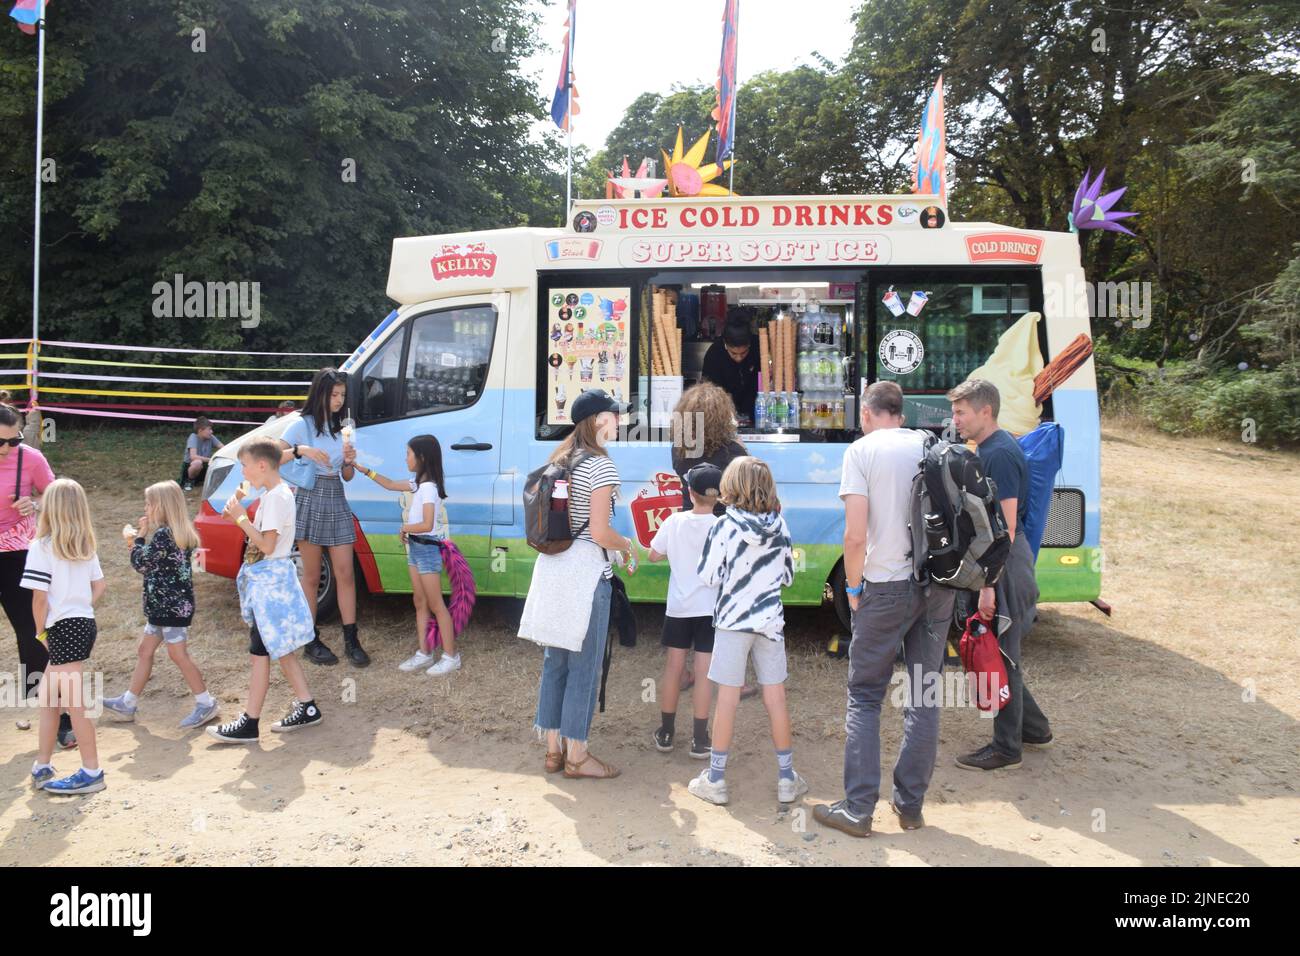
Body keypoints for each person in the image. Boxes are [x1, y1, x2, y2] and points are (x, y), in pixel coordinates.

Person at [814, 382, 956, 838]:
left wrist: (852, 588)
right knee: (924, 694)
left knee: (866, 694)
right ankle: (910, 806)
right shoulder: (932, 444)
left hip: (886, 586)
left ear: (870, 413)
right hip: (936, 587)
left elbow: (855, 536)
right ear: (901, 411)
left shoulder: (863, 451)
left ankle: (858, 809)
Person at [519, 389, 635, 780]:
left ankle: (553, 751)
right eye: (616, 416)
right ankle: (578, 756)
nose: (621, 422)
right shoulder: (601, 466)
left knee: (557, 663)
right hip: (584, 576)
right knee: (584, 666)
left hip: (552, 569)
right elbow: (600, 531)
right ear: (600, 420)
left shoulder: (563, 459)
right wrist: (628, 545)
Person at [689, 456, 806, 806]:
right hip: (769, 623)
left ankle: (716, 779)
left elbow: (707, 576)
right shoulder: (781, 526)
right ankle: (787, 779)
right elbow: (787, 576)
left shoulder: (723, 527)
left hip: (732, 623)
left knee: (726, 698)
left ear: (731, 486)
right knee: (776, 698)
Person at [948, 379, 1053, 770]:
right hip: (1004, 561)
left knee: (1001, 655)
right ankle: (1035, 729)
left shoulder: (999, 455)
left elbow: (1004, 529)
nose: (955, 419)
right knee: (1003, 651)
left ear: (985, 411)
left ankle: (1007, 748)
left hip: (1006, 564)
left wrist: (988, 587)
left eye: (961, 412)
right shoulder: (991, 448)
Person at [207, 438, 323, 743]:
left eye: (244, 465)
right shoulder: (274, 493)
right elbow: (227, 515)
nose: (242, 471)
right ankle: (308, 706)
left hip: (270, 583)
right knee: (281, 648)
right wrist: (238, 503)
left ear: (261, 465)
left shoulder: (276, 498)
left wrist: (242, 520)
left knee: (260, 653)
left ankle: (250, 722)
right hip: (270, 581)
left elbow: (267, 545)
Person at [102, 481, 218, 729]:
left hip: (170, 609)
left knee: (178, 654)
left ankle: (206, 702)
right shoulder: (179, 532)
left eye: (149, 503)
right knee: (145, 651)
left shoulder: (165, 535)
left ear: (161, 506)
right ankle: (128, 702)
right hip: (164, 607)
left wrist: (137, 539)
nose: (146, 508)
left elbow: (142, 565)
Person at [279, 368, 367, 667]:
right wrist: (301, 450)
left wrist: (349, 461)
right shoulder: (300, 425)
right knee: (312, 576)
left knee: (345, 573)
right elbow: (272, 458)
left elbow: (347, 476)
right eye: (334, 395)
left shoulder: (339, 428)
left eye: (342, 395)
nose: (339, 400)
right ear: (320, 393)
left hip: (335, 495)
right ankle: (309, 639)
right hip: (310, 496)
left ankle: (351, 639)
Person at [24, 479, 107, 794]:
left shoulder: (41, 546)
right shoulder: (85, 545)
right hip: (82, 624)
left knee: (75, 704)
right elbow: (99, 586)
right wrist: (80, 607)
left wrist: (40, 631)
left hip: (61, 628)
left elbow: (39, 599)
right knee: (49, 699)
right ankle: (42, 765)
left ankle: (91, 772)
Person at [0, 396, 74, 747]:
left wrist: (37, 503)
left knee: (33, 632)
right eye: (4, 441)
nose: (9, 447)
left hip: (16, 554)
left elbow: (57, 497)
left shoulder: (31, 459)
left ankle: (55, 714)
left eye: (15, 440)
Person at [359, 435, 461, 675]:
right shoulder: (419, 483)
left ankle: (451, 655)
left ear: (421, 457)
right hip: (416, 547)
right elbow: (391, 485)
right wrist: (364, 470)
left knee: (436, 604)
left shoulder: (428, 488)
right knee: (420, 602)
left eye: (408, 453)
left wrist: (405, 527)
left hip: (426, 547)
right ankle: (424, 653)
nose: (406, 458)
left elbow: (427, 524)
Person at [646, 463, 722, 760]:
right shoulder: (721, 527)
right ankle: (700, 739)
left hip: (679, 608)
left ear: (689, 493)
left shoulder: (674, 522)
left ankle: (666, 732)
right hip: (711, 610)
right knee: (705, 673)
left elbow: (653, 555)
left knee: (674, 668)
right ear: (717, 496)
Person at [669, 383, 748, 515]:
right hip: (723, 523)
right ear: (722, 418)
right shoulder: (732, 451)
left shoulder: (679, 448)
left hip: (690, 520)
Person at [700, 321, 760, 424]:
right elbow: (710, 390)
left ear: (749, 345)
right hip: (723, 414)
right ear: (725, 345)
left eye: (743, 353)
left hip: (756, 411)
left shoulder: (759, 348)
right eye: (733, 353)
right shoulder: (714, 354)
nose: (739, 358)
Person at [181, 417, 223, 491]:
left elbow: (224, 448)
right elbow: (193, 457)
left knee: (221, 461)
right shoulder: (193, 437)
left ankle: (205, 481)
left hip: (205, 466)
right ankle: (189, 481)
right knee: (197, 462)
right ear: (200, 430)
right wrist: (212, 459)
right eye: (209, 429)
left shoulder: (211, 437)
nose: (212, 431)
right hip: (190, 468)